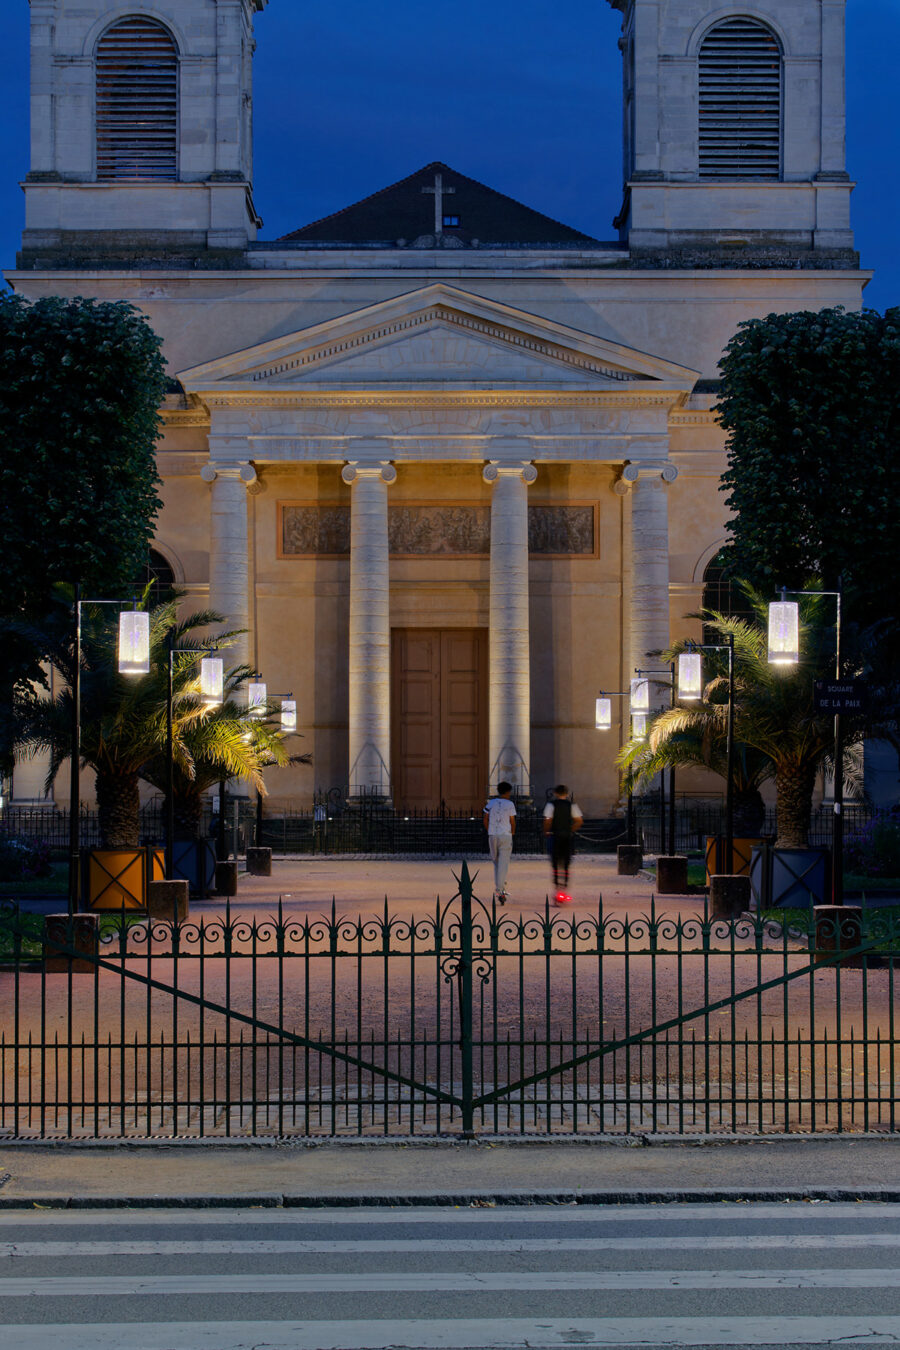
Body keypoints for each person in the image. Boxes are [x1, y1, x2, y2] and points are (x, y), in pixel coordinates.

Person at [543, 784, 583, 904]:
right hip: (567, 837)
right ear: (567, 794)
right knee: (566, 864)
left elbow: (547, 820)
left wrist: (546, 831)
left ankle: (557, 888)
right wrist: (570, 830)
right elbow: (579, 821)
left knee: (555, 864)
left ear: (555, 793)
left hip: (555, 836)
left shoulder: (551, 805)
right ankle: (564, 888)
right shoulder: (572, 805)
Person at [483, 781, 516, 904]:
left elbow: (485, 819)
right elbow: (512, 820)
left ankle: (500, 885)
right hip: (505, 835)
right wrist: (512, 832)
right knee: (503, 863)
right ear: (508, 792)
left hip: (493, 835)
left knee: (496, 862)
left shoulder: (491, 803)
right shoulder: (510, 804)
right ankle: (500, 889)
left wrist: (490, 830)